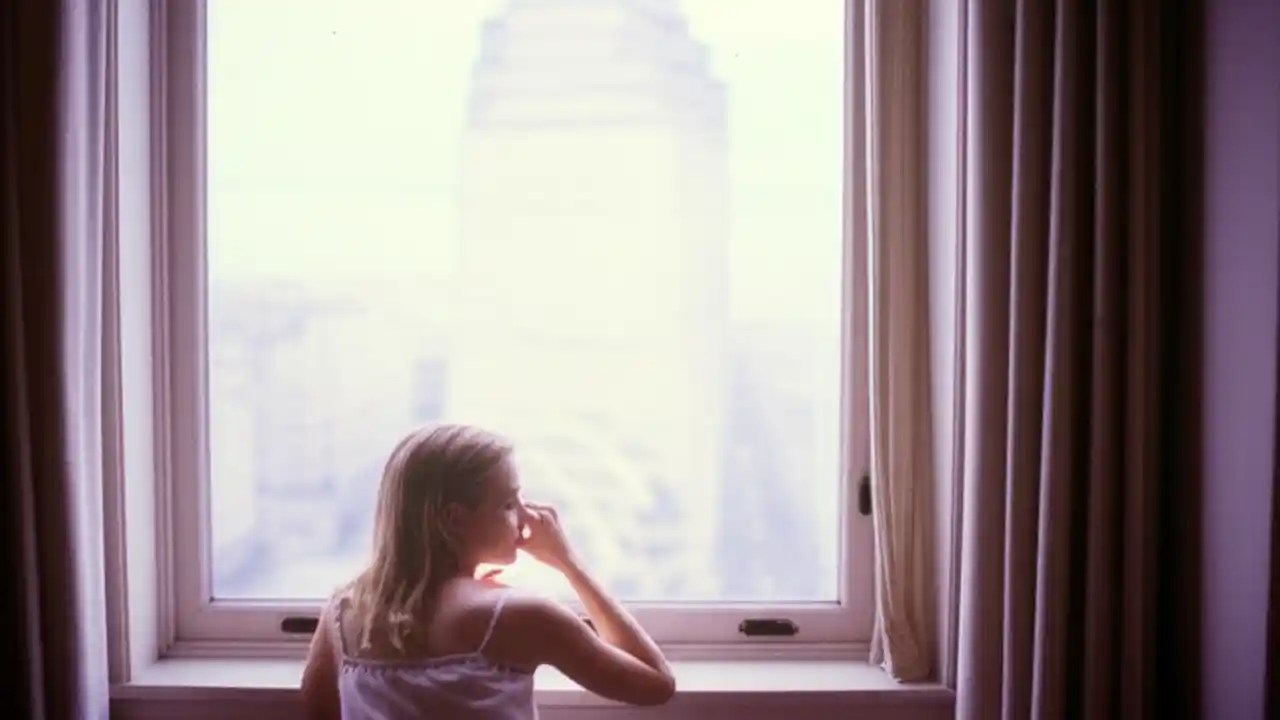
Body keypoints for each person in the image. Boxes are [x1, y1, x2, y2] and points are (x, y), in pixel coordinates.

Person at [300, 423, 676, 719]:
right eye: (509, 503)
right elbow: (657, 684)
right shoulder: (520, 616)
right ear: (454, 519)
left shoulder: (344, 611)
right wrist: (568, 563)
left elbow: (318, 713)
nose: (526, 517)